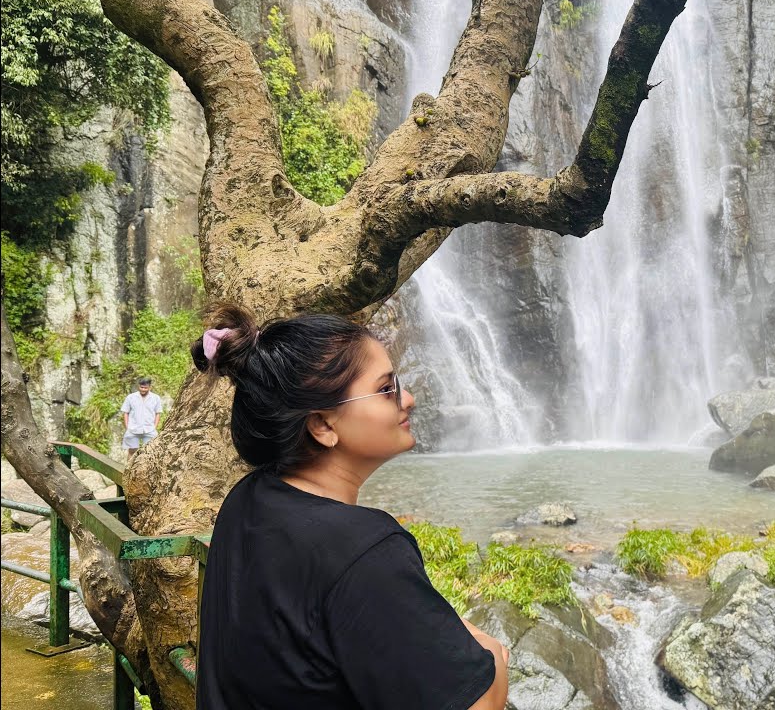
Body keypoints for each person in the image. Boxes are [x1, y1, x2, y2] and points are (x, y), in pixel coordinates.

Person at [191, 304, 509, 710]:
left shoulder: (249, 499)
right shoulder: (363, 549)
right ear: (323, 425)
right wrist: (493, 654)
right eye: (385, 389)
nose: (407, 399)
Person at [120, 377, 163, 458]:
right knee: (132, 450)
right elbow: (126, 412)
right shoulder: (131, 397)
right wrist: (127, 427)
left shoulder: (155, 398)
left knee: (150, 450)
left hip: (149, 429)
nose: (143, 389)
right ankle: (129, 469)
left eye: (145, 388)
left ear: (150, 387)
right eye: (141, 387)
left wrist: (154, 427)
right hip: (133, 428)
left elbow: (158, 413)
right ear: (138, 386)